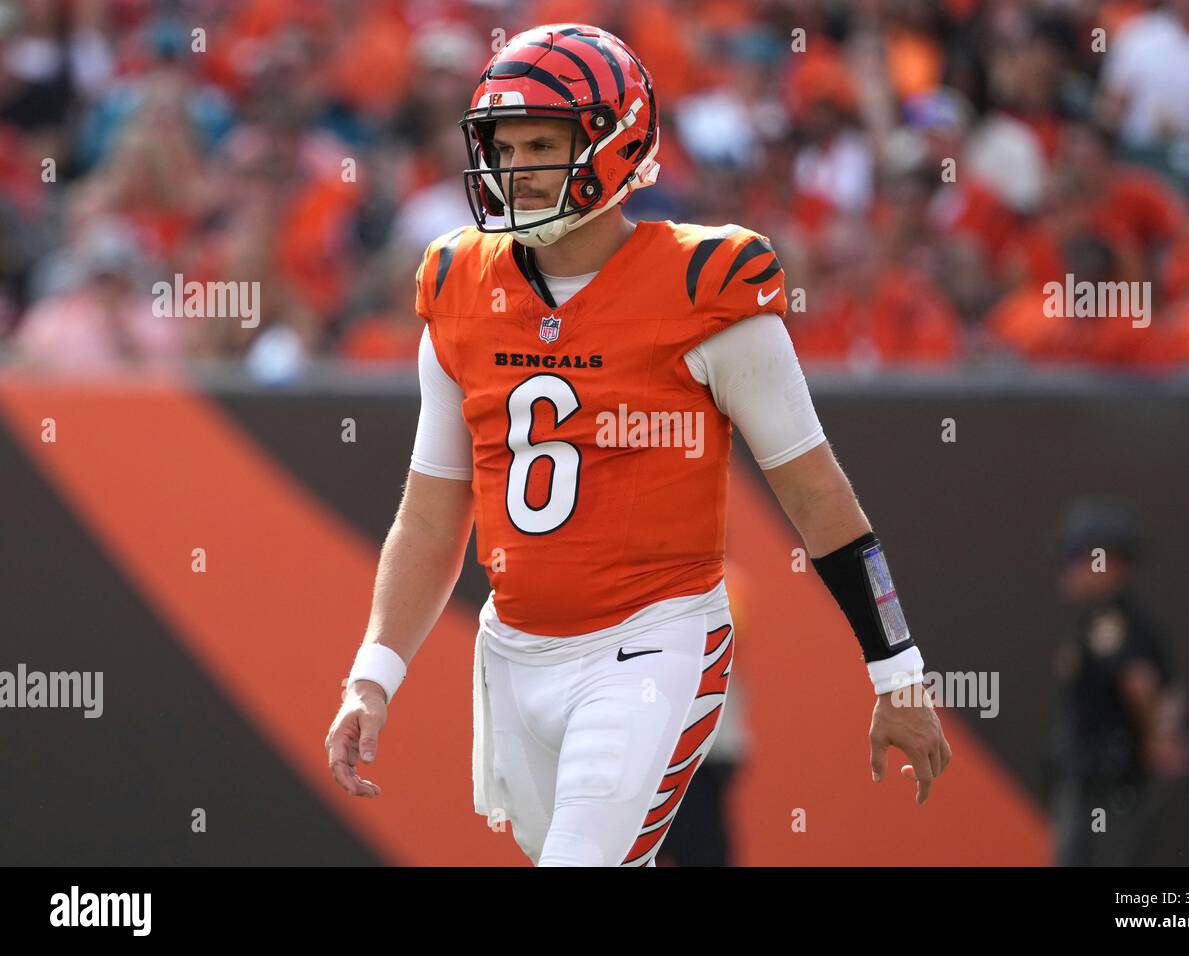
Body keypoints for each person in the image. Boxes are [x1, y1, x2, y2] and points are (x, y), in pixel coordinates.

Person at [324, 23, 951, 867]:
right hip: (513, 651)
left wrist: (896, 670)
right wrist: (372, 674)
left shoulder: (705, 285)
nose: (515, 169)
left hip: (655, 638)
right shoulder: (459, 283)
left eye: (541, 144)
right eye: (503, 147)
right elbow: (433, 515)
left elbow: (818, 494)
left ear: (615, 144)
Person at [1046, 498, 1189, 866]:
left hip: (1108, 782)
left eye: (1077, 557)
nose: (1067, 569)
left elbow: (1140, 683)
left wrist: (1157, 739)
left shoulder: (1114, 621)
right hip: (1093, 777)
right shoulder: (1098, 619)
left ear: (1109, 562)